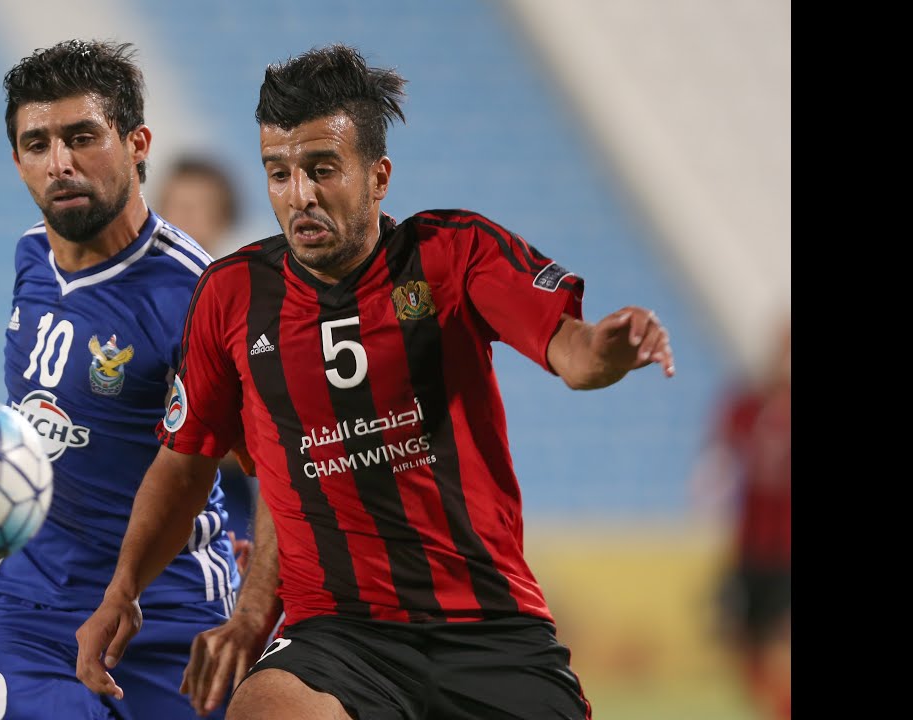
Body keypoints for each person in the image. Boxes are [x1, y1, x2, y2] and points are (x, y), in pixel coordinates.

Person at [74, 43, 677, 720]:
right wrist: (123, 590)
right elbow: (188, 467)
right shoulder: (231, 297)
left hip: (487, 626)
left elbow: (574, 355)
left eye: (322, 169)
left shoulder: (452, 253)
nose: (299, 195)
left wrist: (608, 347)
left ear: (378, 174)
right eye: (279, 173)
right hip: (338, 637)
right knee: (263, 709)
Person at [0, 39, 276, 720]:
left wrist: (258, 590)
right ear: (16, 158)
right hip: (35, 610)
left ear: (137, 142)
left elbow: (281, 469)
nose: (61, 162)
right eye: (37, 143)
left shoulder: (198, 296)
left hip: (171, 616)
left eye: (83, 137)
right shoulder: (30, 257)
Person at [155, 154, 260, 551]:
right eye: (171, 208)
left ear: (224, 221)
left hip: (221, 525)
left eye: (194, 210)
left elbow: (263, 437)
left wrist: (187, 428)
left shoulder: (244, 313)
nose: (180, 221)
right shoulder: (137, 309)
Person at [692, 318, 790, 720]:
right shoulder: (745, 405)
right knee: (743, 641)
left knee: (779, 643)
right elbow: (719, 462)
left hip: (787, 548)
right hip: (751, 547)